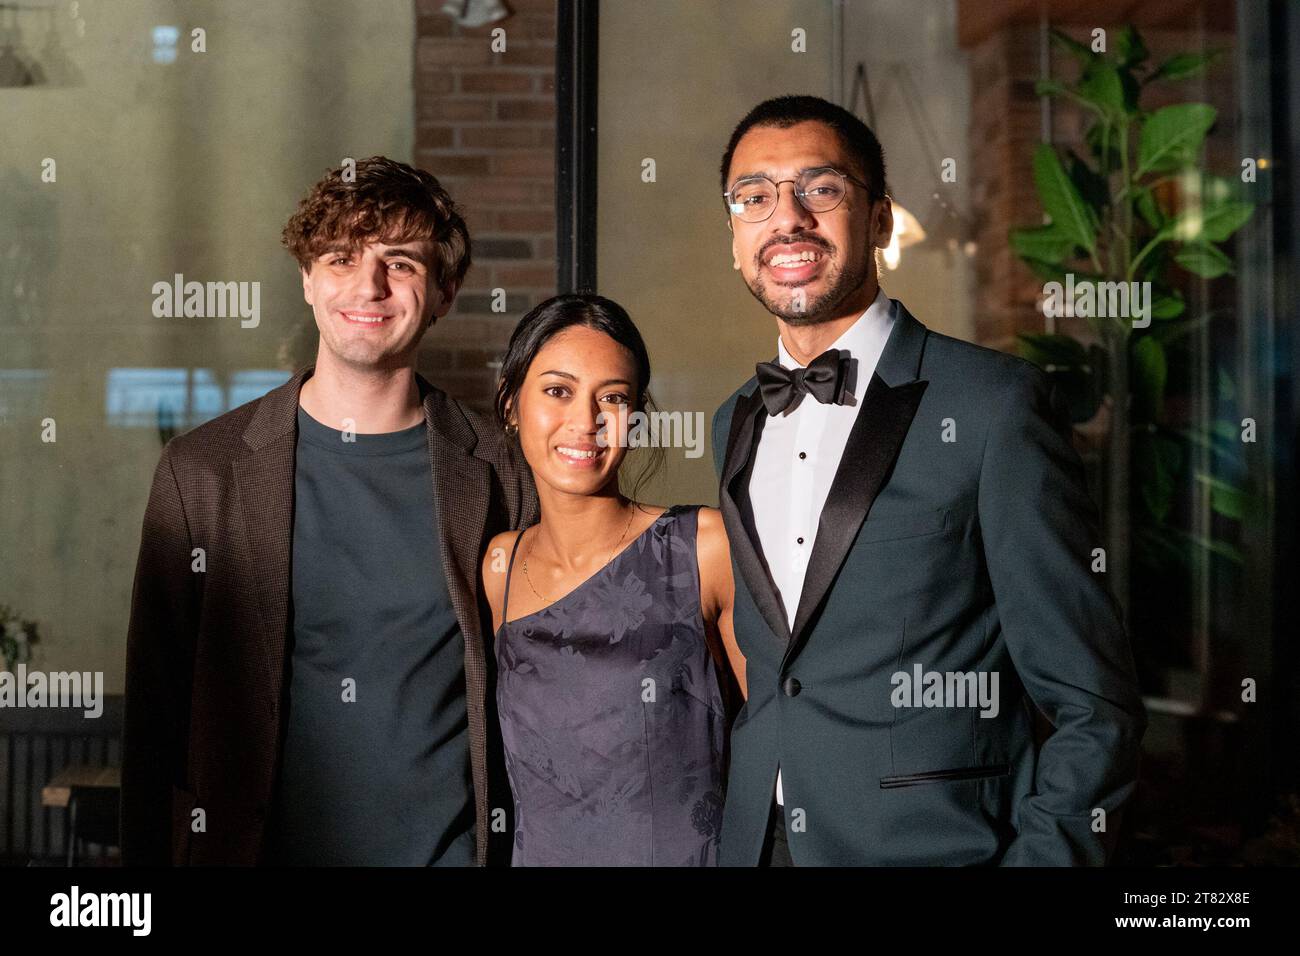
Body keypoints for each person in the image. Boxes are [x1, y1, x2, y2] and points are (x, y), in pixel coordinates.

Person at [711, 95, 1147, 866]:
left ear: (880, 219)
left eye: (820, 189)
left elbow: (1093, 704)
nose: (788, 219)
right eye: (755, 197)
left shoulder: (993, 406)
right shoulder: (733, 420)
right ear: (735, 237)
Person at [121, 157, 536, 866]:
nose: (369, 285)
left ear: (444, 291)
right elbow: (153, 721)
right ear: (308, 280)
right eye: (342, 258)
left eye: (400, 262)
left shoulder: (503, 473)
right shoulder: (203, 473)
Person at [481, 293, 744, 865]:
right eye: (558, 391)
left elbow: (777, 741)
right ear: (511, 404)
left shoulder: (704, 547)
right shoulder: (499, 565)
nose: (586, 422)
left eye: (614, 398)